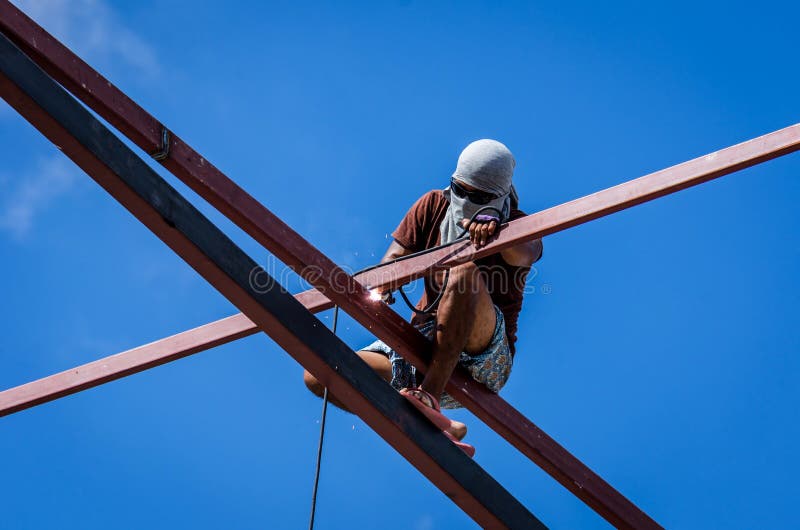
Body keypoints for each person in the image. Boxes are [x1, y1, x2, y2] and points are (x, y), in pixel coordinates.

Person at [303, 139, 542, 456]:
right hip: (423, 346)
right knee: (319, 374)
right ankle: (430, 421)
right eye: (461, 190)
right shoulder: (433, 205)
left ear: (500, 197)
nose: (467, 201)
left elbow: (528, 251)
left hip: (483, 359)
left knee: (464, 272)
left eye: (480, 198)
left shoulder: (517, 223)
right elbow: (393, 261)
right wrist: (384, 283)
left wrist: (500, 232)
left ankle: (429, 397)